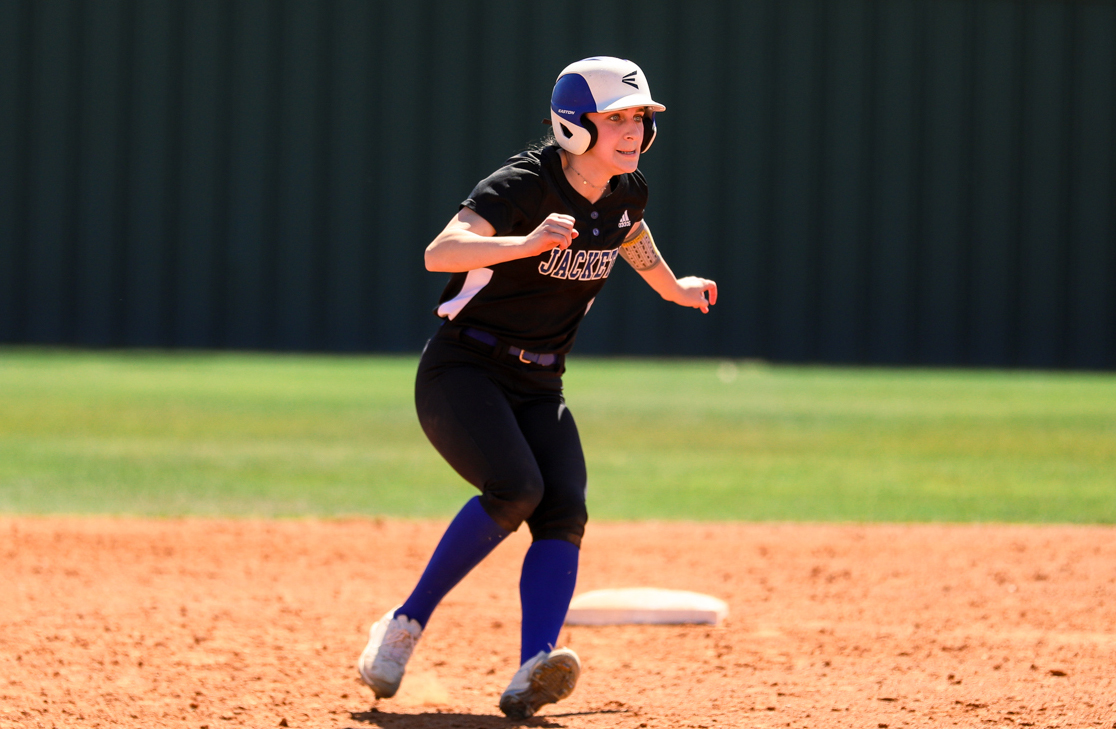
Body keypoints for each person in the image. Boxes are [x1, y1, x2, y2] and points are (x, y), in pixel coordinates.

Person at [356, 56, 718, 719]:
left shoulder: (626, 190)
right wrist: (523, 242)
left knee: (564, 506)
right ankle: (403, 625)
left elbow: (628, 232)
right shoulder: (522, 185)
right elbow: (442, 251)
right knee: (517, 487)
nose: (633, 130)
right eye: (616, 118)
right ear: (574, 127)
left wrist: (672, 287)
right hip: (463, 369)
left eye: (639, 117)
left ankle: (532, 667)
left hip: (540, 382)